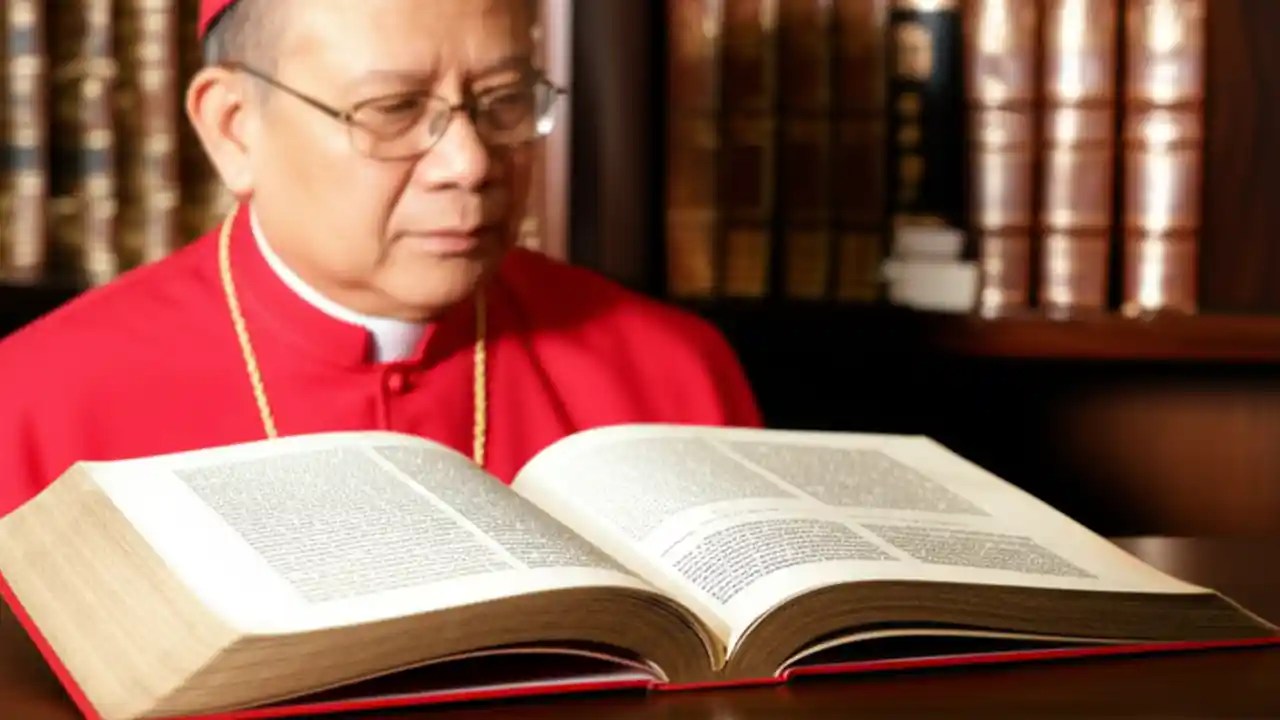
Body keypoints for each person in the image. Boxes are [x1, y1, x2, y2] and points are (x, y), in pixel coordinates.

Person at [0, 0, 761, 518]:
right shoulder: (35, 403)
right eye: (393, 111)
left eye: (502, 101)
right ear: (234, 129)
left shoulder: (674, 373)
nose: (468, 163)